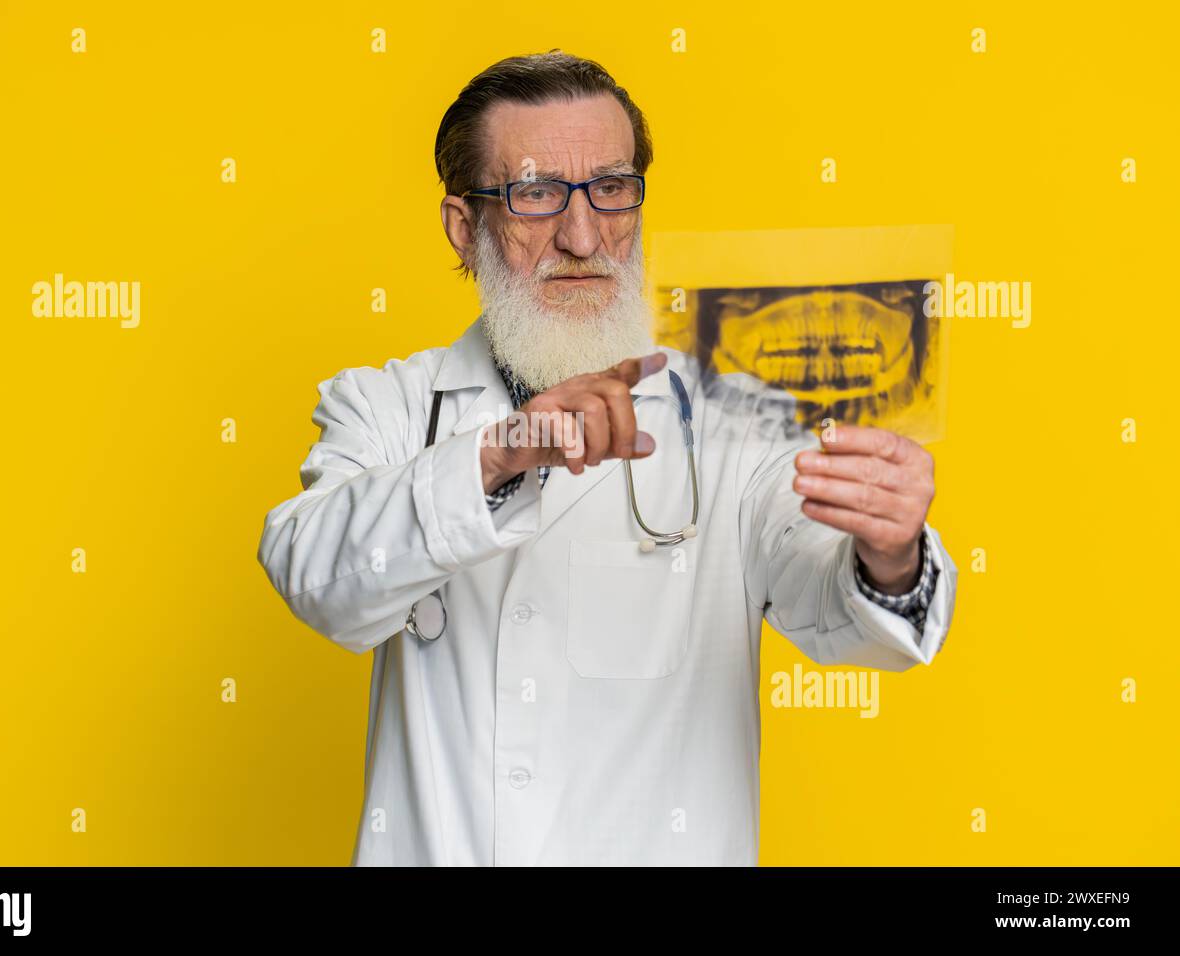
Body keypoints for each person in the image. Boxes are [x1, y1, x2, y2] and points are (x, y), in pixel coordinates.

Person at [257, 50, 958, 866]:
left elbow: (835, 606)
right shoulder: (389, 407)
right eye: (536, 193)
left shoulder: (738, 422)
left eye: (612, 189)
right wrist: (497, 455)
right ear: (464, 225)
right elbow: (314, 575)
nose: (584, 235)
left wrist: (889, 553)